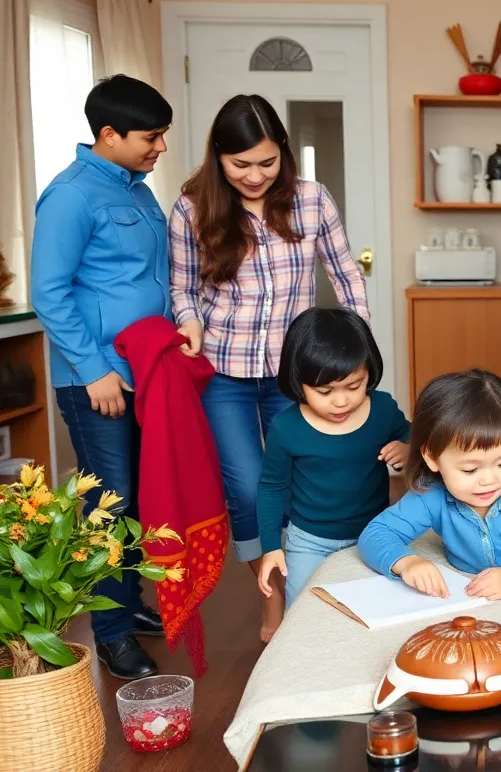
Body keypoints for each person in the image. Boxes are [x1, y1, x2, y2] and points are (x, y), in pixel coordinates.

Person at [169, 94, 369, 640]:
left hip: (293, 373)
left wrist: (358, 347)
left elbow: (347, 275)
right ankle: (272, 592)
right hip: (224, 372)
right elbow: (182, 288)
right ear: (218, 158)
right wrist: (187, 319)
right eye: (240, 165)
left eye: (266, 162)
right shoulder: (193, 208)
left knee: (299, 481)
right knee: (251, 488)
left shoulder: (311, 200)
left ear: (282, 152)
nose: (255, 176)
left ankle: (315, 583)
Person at [30, 75, 176, 680]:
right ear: (109, 135)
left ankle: (129, 605)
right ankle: (111, 636)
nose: (160, 147)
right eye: (152, 136)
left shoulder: (138, 190)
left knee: (138, 500)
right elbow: (49, 292)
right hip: (99, 382)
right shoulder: (70, 195)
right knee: (106, 511)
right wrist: (94, 372)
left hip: (147, 370)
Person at [359, 370, 501, 601]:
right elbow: (376, 533)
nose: (488, 480)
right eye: (470, 470)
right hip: (463, 589)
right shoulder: (431, 492)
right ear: (432, 458)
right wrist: (406, 562)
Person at [255, 308, 408, 610]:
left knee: (375, 609)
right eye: (325, 391)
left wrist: (407, 449)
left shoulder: (382, 409)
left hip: (373, 534)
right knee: (303, 613)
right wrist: (271, 547)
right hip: (309, 542)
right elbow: (271, 489)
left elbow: (414, 438)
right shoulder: (286, 428)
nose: (341, 401)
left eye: (354, 386)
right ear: (299, 382)